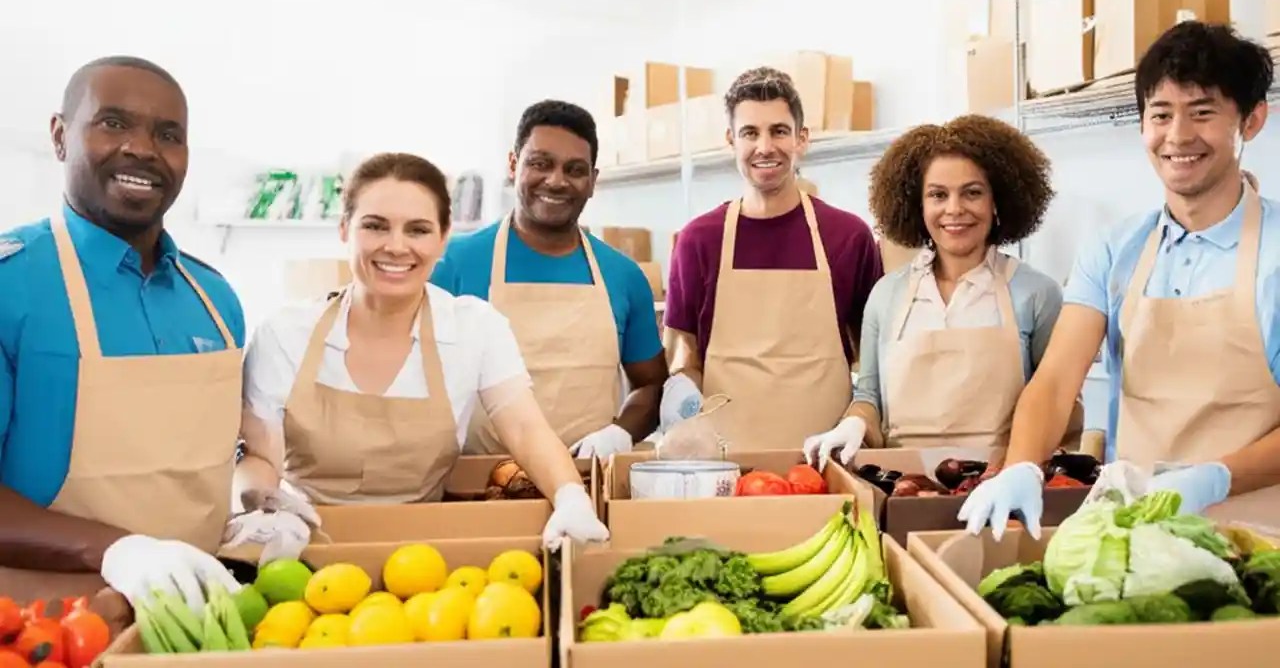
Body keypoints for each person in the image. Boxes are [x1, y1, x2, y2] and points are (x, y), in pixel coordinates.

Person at [960, 21, 1280, 539]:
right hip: (1136, 538)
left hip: (1264, 544)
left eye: (1202, 112)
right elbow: (1057, 379)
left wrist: (1215, 479)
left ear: (1251, 120)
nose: (1178, 136)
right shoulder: (1115, 250)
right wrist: (1022, 464)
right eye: (1161, 114)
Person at [230, 152, 608, 560]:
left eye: (418, 230)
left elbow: (525, 429)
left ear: (444, 238)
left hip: (424, 551)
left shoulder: (474, 328)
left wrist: (571, 498)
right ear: (345, 229)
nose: (396, 246)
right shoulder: (285, 333)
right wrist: (259, 505)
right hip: (300, 546)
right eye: (375, 226)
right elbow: (260, 457)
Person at [0, 57, 244, 613]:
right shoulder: (10, 287)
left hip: (200, 622)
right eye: (113, 123)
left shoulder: (215, 301)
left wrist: (255, 500)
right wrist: (116, 551)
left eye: (168, 134)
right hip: (48, 625)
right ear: (60, 136)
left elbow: (214, 459)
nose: (142, 148)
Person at [804, 115, 1083, 469]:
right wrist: (855, 422)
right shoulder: (886, 295)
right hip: (902, 490)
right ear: (917, 206)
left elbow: (1059, 401)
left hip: (1000, 487)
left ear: (998, 202)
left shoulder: (1036, 293)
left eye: (972, 192)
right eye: (938, 195)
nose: (954, 209)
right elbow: (869, 395)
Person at [430, 100, 667, 459]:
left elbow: (651, 384)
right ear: (513, 165)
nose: (556, 181)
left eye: (574, 169)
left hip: (589, 481)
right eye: (540, 164)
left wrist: (619, 434)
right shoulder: (452, 264)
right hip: (477, 485)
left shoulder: (623, 275)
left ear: (592, 182)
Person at [661, 67, 882, 450]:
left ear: (802, 139)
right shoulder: (699, 240)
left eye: (779, 131)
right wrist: (679, 402)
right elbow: (684, 358)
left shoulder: (848, 236)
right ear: (731, 140)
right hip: (722, 465)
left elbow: (874, 363)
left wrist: (858, 424)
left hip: (825, 465)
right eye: (750, 133)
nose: (765, 147)